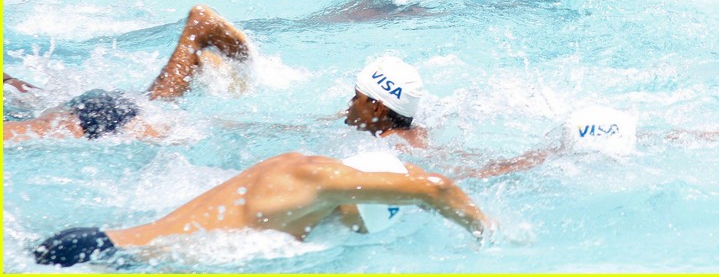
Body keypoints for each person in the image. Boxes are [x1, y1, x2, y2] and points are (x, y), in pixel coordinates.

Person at [31, 151, 488, 267]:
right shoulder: (316, 183)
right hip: (102, 260)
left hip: (101, 249)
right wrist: (490, 234)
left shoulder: (313, 172)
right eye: (356, 222)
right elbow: (437, 188)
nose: (347, 228)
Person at [4, 5, 250, 142]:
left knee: (176, 120)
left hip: (88, 125)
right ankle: (194, 52)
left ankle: (195, 41)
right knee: (158, 104)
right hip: (86, 109)